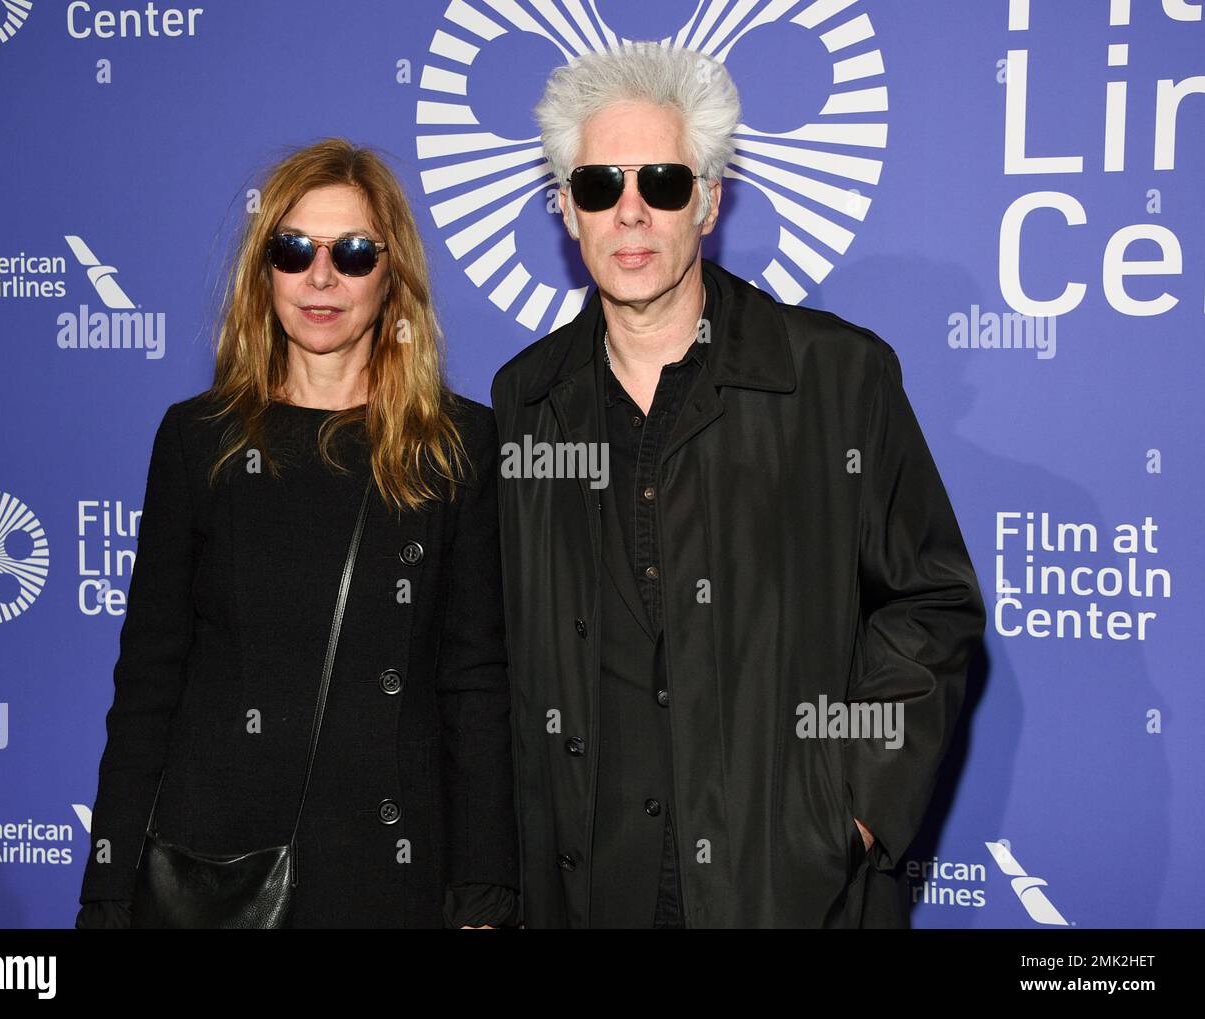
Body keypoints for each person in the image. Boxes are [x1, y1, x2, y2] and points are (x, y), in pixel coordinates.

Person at [490, 43, 986, 927]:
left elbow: (930, 604)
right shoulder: (526, 401)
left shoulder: (835, 378)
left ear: (709, 201)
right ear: (567, 209)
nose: (631, 212)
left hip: (784, 890)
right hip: (590, 890)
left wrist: (847, 806)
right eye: (600, 184)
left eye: (665, 184)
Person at [76, 138, 519, 928]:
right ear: (264, 269)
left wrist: (483, 893)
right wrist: (108, 892)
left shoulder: (455, 445)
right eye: (293, 249)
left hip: (388, 874)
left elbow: (475, 687)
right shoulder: (198, 440)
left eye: (353, 252)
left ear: (392, 277)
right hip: (219, 871)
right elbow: (147, 684)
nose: (321, 277)